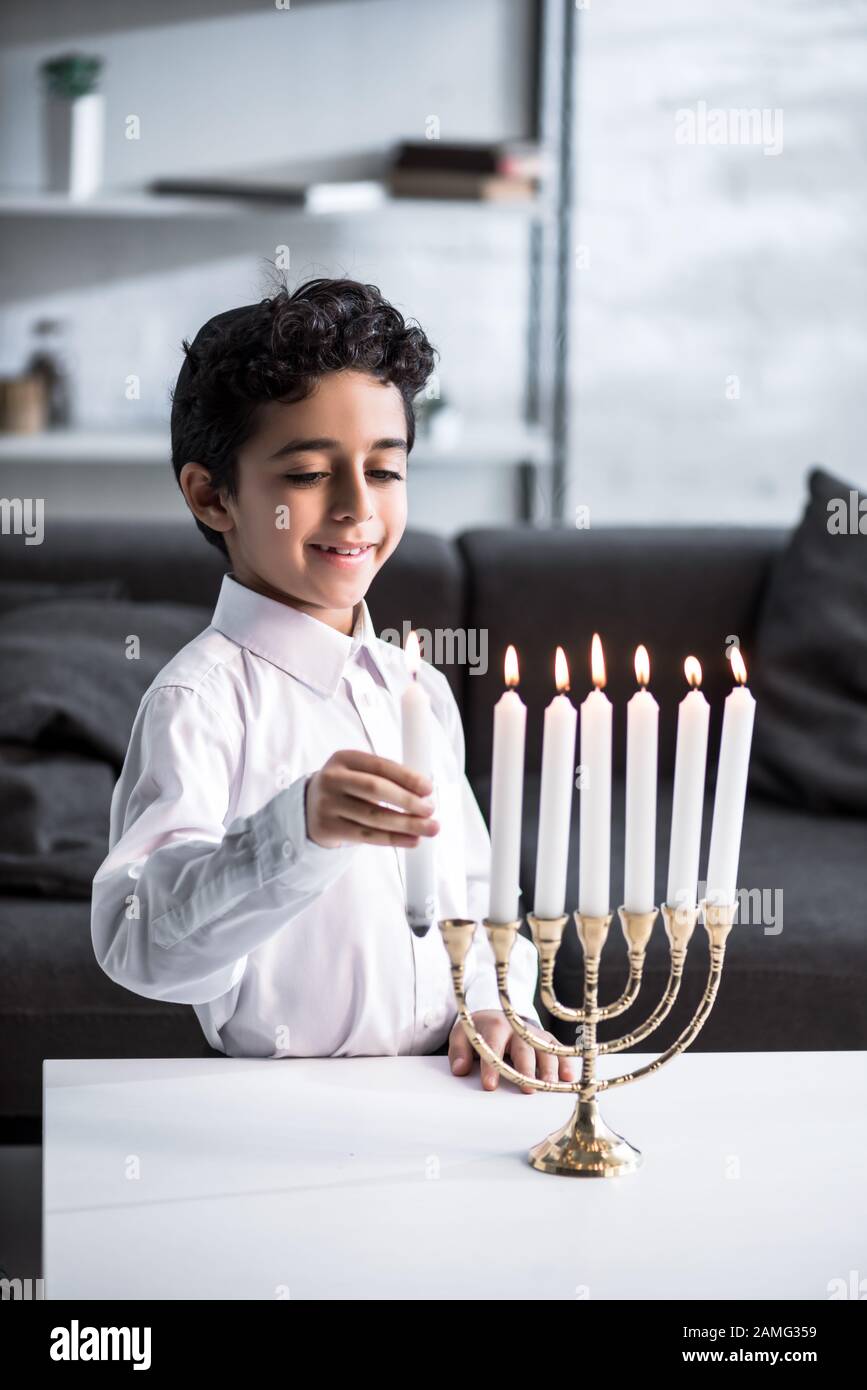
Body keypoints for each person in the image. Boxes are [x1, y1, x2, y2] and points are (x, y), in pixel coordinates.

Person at [91, 276, 576, 1093]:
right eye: (311, 474)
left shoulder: (415, 687)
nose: (357, 508)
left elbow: (470, 891)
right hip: (286, 1108)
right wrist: (296, 831)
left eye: (384, 471)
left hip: (450, 1094)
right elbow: (139, 940)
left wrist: (495, 1006)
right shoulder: (199, 702)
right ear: (213, 496)